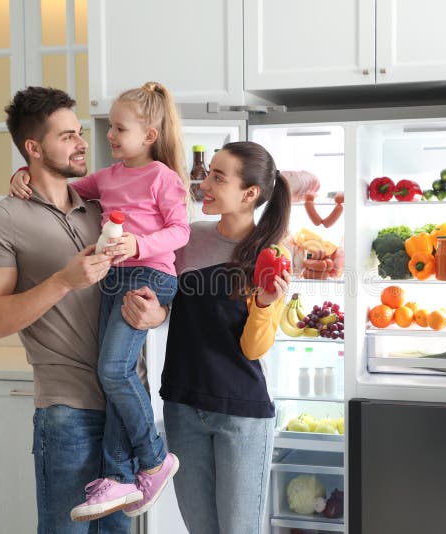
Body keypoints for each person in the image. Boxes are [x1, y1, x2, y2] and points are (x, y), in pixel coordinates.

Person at [9, 81, 190, 522]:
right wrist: (22, 175)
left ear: (149, 135)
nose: (107, 135)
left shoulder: (163, 177)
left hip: (148, 274)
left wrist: (139, 245)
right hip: (117, 279)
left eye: (119, 128)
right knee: (112, 375)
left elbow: (180, 232)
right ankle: (120, 476)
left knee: (113, 370)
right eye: (110, 125)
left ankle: (153, 457)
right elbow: (62, 185)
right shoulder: (107, 178)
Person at [0, 86, 132, 533]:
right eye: (67, 136)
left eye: (80, 133)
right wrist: (62, 281)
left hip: (124, 409)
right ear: (34, 148)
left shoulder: (100, 209)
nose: (82, 143)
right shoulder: (2, 220)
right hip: (67, 411)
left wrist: (158, 314)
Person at [120, 141, 292, 534]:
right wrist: (155, 314)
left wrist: (266, 302)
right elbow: (173, 309)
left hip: (240, 413)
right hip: (183, 406)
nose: (204, 185)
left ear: (249, 194)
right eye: (207, 173)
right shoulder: (187, 238)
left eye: (218, 177)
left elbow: (253, 348)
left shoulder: (271, 255)